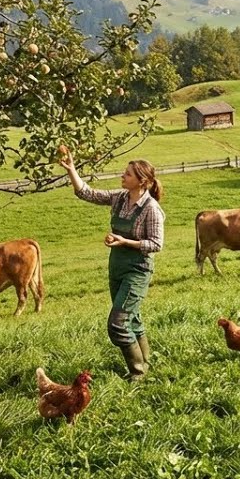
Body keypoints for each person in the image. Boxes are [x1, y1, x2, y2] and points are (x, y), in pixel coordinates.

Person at [58, 146, 165, 381]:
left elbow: (156, 244)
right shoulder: (119, 198)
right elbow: (87, 193)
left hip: (138, 270)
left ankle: (138, 373)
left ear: (142, 181)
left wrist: (125, 241)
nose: (122, 176)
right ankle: (146, 363)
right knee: (132, 317)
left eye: (127, 174)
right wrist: (71, 170)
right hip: (116, 267)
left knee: (118, 323)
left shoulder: (151, 209)